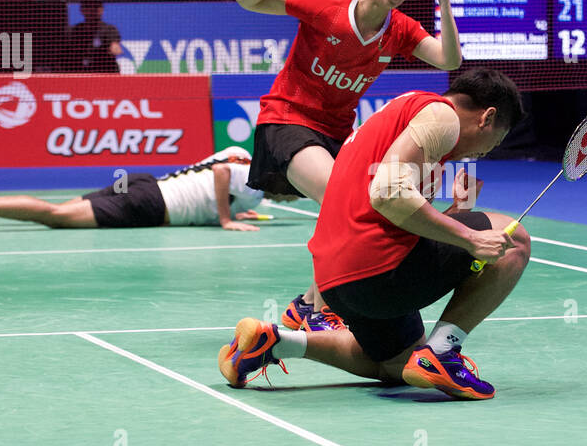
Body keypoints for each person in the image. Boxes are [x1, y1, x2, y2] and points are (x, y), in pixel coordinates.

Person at [217, 69, 529, 401]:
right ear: (487, 117)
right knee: (515, 240)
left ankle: (276, 344)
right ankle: (443, 353)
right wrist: (471, 237)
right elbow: (388, 194)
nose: (485, 152)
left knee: (398, 365)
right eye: (495, 141)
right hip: (375, 270)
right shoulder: (442, 117)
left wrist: (458, 210)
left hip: (335, 283)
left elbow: (400, 218)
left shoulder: (405, 116)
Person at [234, 0, 462, 333]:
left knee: (360, 208)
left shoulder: (400, 29)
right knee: (341, 200)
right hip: (288, 119)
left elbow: (449, 59)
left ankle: (307, 304)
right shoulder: (326, 4)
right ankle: (316, 310)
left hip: (338, 133)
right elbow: (248, 0)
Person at [0, 147, 292, 231]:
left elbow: (218, 169)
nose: (290, 197)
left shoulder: (241, 155)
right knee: (55, 217)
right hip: (149, 204)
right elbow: (222, 175)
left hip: (142, 182)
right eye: (293, 191)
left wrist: (231, 208)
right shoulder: (254, 186)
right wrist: (226, 219)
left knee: (57, 209)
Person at [63, 0, 122, 73]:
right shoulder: (73, 31)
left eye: (95, 6)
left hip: (104, 73)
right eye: (88, 6)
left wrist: (112, 48)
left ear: (101, 9)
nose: (92, 9)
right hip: (81, 74)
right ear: (81, 9)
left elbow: (116, 48)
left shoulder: (109, 29)